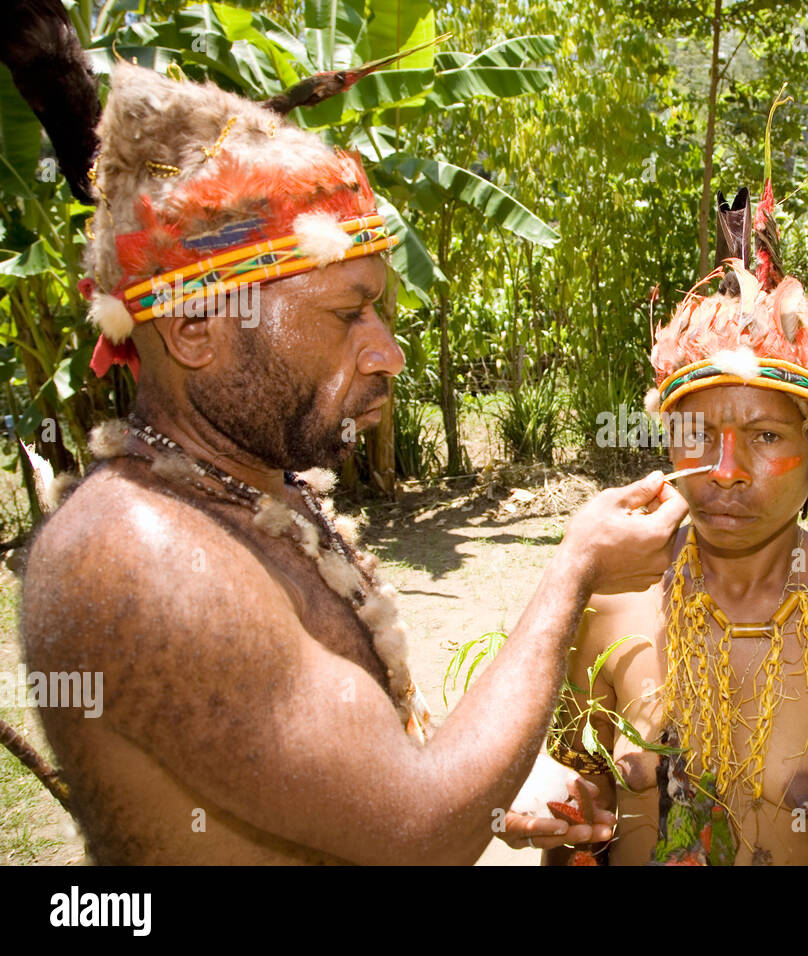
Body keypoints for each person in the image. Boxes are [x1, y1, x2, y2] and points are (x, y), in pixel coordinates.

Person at [19, 63, 686, 864]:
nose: (388, 352)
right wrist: (572, 570)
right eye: (347, 314)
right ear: (197, 328)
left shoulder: (250, 495)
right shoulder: (142, 554)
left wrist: (494, 800)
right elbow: (413, 830)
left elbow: (344, 770)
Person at [505, 184, 808, 865]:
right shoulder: (609, 609)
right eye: (696, 433)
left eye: (765, 436)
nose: (725, 470)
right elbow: (576, 834)